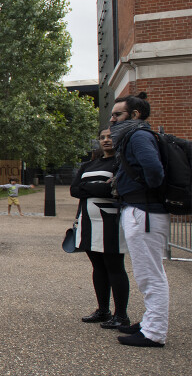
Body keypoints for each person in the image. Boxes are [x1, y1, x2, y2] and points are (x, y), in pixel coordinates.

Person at [109, 92, 168, 347]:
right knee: (148, 272)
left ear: (134, 115)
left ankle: (154, 332)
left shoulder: (138, 135)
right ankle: (149, 322)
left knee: (150, 275)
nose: (112, 120)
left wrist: (143, 189)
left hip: (143, 211)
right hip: (140, 209)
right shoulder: (133, 136)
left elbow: (154, 171)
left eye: (117, 114)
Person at [71, 128, 130, 330]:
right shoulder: (89, 164)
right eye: (102, 137)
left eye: (110, 137)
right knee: (98, 266)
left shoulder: (122, 163)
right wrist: (100, 187)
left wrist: (89, 188)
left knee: (114, 267)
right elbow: (74, 190)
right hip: (87, 220)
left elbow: (116, 189)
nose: (106, 140)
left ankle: (121, 315)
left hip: (111, 221)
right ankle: (103, 309)